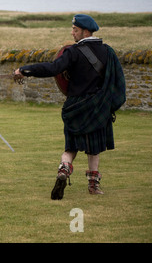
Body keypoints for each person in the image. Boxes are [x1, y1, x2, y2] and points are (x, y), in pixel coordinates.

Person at [13, 14, 126, 200]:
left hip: (75, 106)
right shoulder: (108, 52)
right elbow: (117, 83)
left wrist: (25, 70)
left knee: (71, 147)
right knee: (93, 148)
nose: (72, 32)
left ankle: (64, 170)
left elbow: (52, 68)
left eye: (75, 29)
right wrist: (110, 105)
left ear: (85, 31)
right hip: (98, 107)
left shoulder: (73, 52)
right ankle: (93, 185)